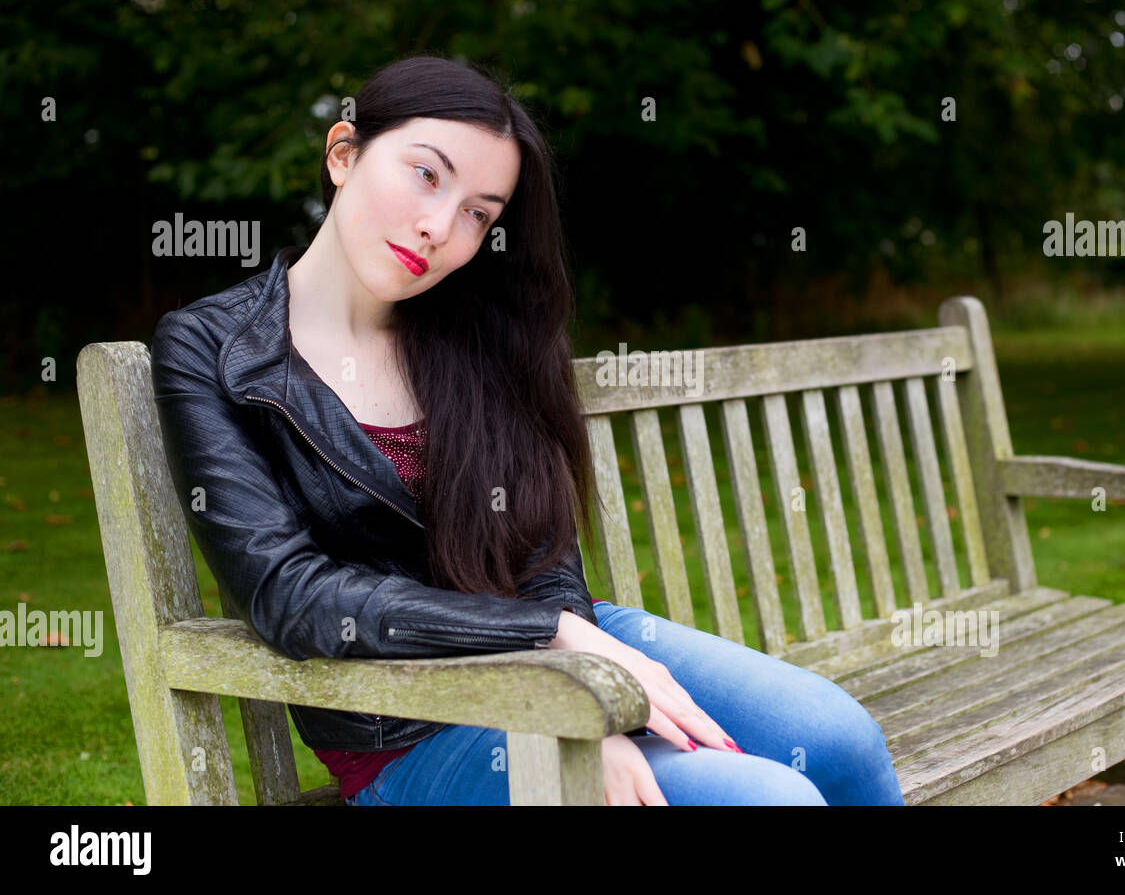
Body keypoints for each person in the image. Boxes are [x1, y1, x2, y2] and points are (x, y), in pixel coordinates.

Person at [150, 54, 905, 806]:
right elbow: (292, 595)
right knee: (770, 801)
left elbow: (542, 554)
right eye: (426, 174)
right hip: (411, 728)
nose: (439, 227)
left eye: (479, 212)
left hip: (559, 641)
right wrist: (556, 671)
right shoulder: (214, 350)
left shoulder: (479, 333)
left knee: (841, 742)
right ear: (344, 154)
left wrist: (568, 675)